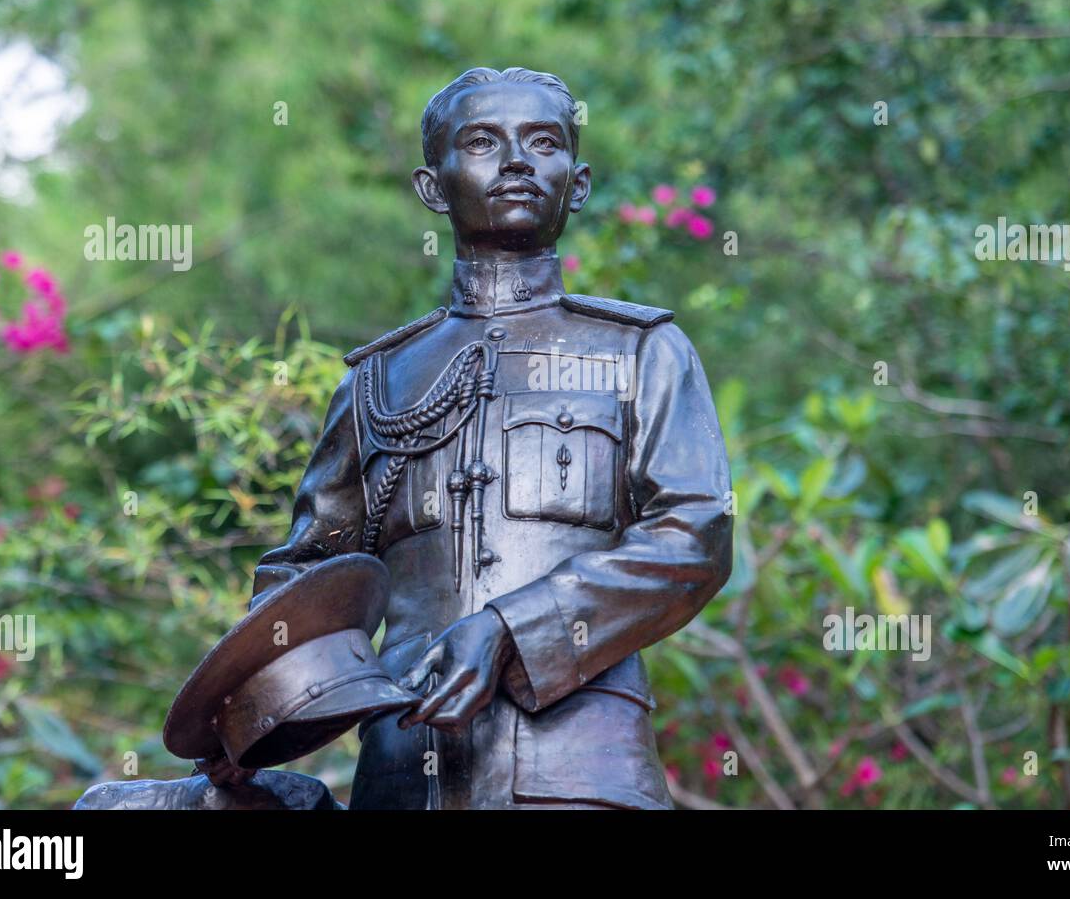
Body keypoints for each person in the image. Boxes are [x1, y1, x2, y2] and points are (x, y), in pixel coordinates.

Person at [246, 67, 732, 808]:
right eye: (483, 142)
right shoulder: (378, 380)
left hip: (583, 774)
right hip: (404, 775)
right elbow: (306, 580)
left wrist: (513, 628)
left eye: (543, 142)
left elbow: (696, 534)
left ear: (579, 182)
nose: (516, 161)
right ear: (432, 186)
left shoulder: (640, 351)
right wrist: (244, 720)